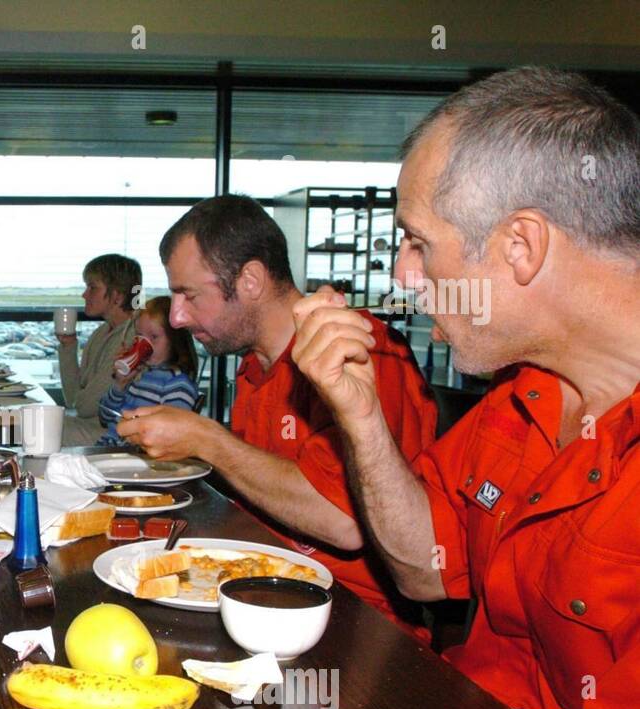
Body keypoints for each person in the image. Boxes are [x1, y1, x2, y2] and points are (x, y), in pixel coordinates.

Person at [292, 67, 640, 709]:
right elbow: (424, 571)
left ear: (521, 246)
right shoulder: (526, 400)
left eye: (419, 242)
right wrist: (359, 417)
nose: (403, 277)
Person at [118, 196, 438, 642]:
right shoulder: (253, 370)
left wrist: (208, 441)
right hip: (258, 590)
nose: (176, 316)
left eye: (189, 295)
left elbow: (343, 523)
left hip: (359, 624)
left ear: (250, 280)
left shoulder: (358, 350)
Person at [96, 296, 199, 446]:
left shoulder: (177, 384)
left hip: (133, 455)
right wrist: (120, 384)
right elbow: (104, 417)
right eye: (140, 336)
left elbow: (169, 434)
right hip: (110, 447)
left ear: (174, 340)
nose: (145, 343)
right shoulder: (140, 375)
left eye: (154, 337)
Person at [57, 253, 142, 429]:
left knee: (34, 427)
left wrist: (81, 400)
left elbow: (84, 407)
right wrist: (68, 346)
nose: (84, 295)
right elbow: (73, 398)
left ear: (118, 296)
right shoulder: (101, 333)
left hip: (115, 434)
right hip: (89, 425)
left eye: (92, 288)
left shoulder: (131, 338)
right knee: (30, 424)